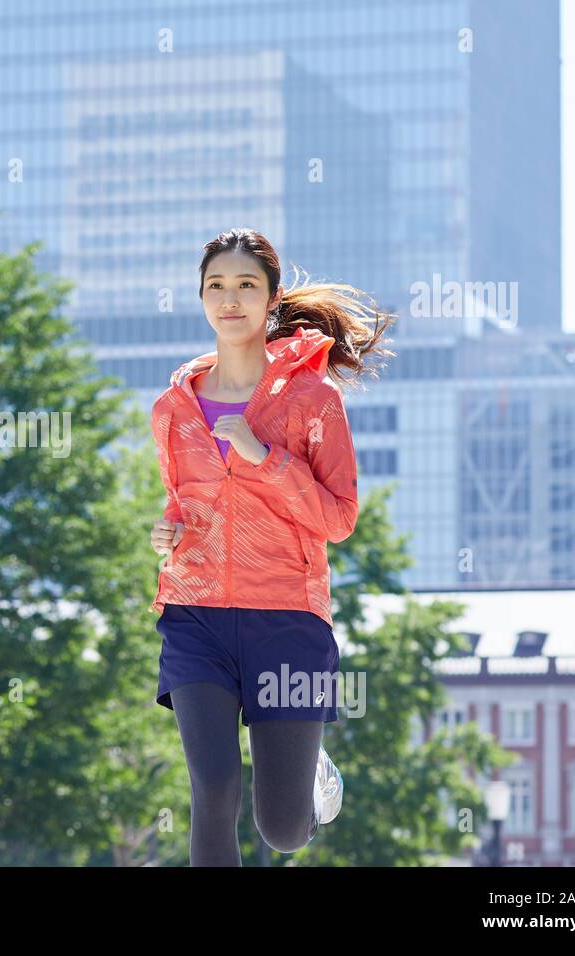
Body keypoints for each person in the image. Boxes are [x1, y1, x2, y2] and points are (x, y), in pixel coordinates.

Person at [149, 227, 394, 866]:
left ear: (271, 297)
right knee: (214, 788)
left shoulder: (314, 401)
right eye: (216, 286)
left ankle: (311, 772)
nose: (230, 300)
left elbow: (339, 518)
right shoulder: (173, 409)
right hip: (195, 617)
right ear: (201, 297)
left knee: (282, 829)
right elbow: (186, 502)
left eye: (246, 286)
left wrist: (268, 459)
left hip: (286, 620)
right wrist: (167, 532)